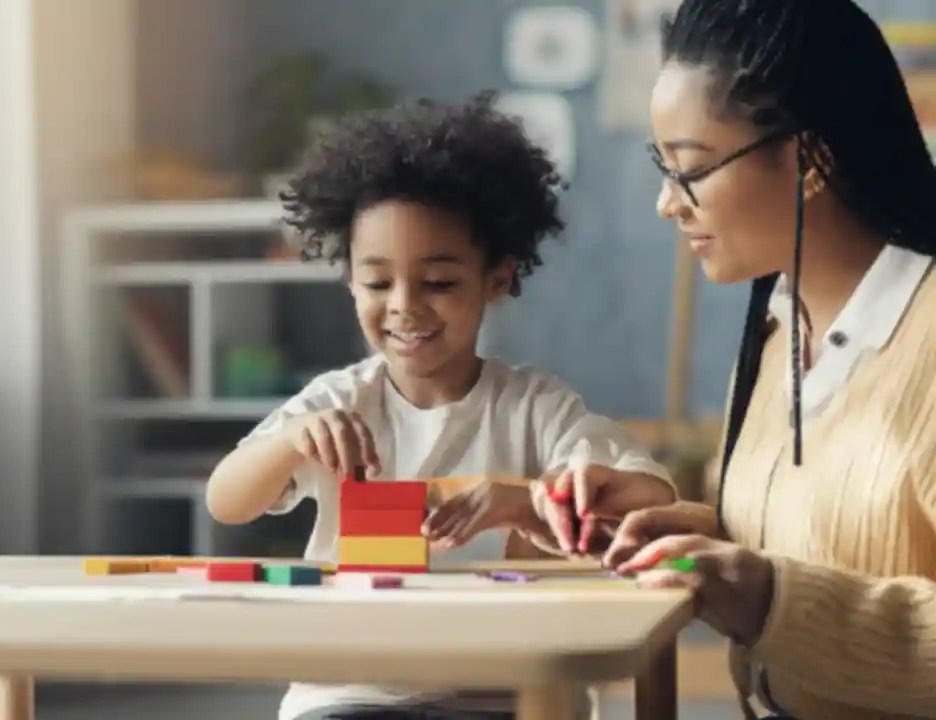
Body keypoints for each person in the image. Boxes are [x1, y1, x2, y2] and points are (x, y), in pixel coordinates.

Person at [205, 91, 678, 720]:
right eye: (378, 282)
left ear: (497, 278)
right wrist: (293, 441)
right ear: (351, 282)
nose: (404, 305)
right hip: (352, 690)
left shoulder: (534, 407)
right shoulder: (337, 402)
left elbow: (654, 498)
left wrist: (525, 500)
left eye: (439, 283)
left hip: (498, 691)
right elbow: (226, 501)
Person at [530, 1, 936, 718]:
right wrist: (680, 531)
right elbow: (821, 551)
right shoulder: (781, 331)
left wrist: (767, 598)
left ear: (809, 160)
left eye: (691, 169)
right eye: (663, 167)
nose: (668, 203)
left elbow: (788, 592)